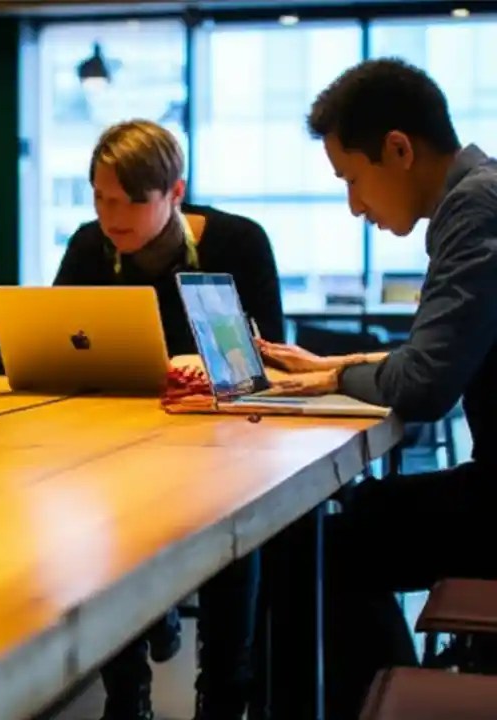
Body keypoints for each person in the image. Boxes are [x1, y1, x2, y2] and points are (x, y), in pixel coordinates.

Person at [257, 58, 497, 719]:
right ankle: (387, 698)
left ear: (398, 149)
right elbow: (440, 352)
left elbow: (423, 386)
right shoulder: (483, 193)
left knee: (313, 554)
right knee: (351, 527)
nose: (354, 205)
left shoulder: (475, 206)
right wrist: (342, 362)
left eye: (353, 179)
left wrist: (335, 373)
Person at [53, 119, 285, 720]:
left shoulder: (238, 243)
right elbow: (55, 343)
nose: (112, 215)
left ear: (174, 193)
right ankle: (125, 695)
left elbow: (273, 355)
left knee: (236, 532)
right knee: (101, 539)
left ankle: (224, 691)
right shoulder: (88, 247)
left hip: (219, 449)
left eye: (131, 199)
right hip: (116, 447)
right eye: (101, 198)